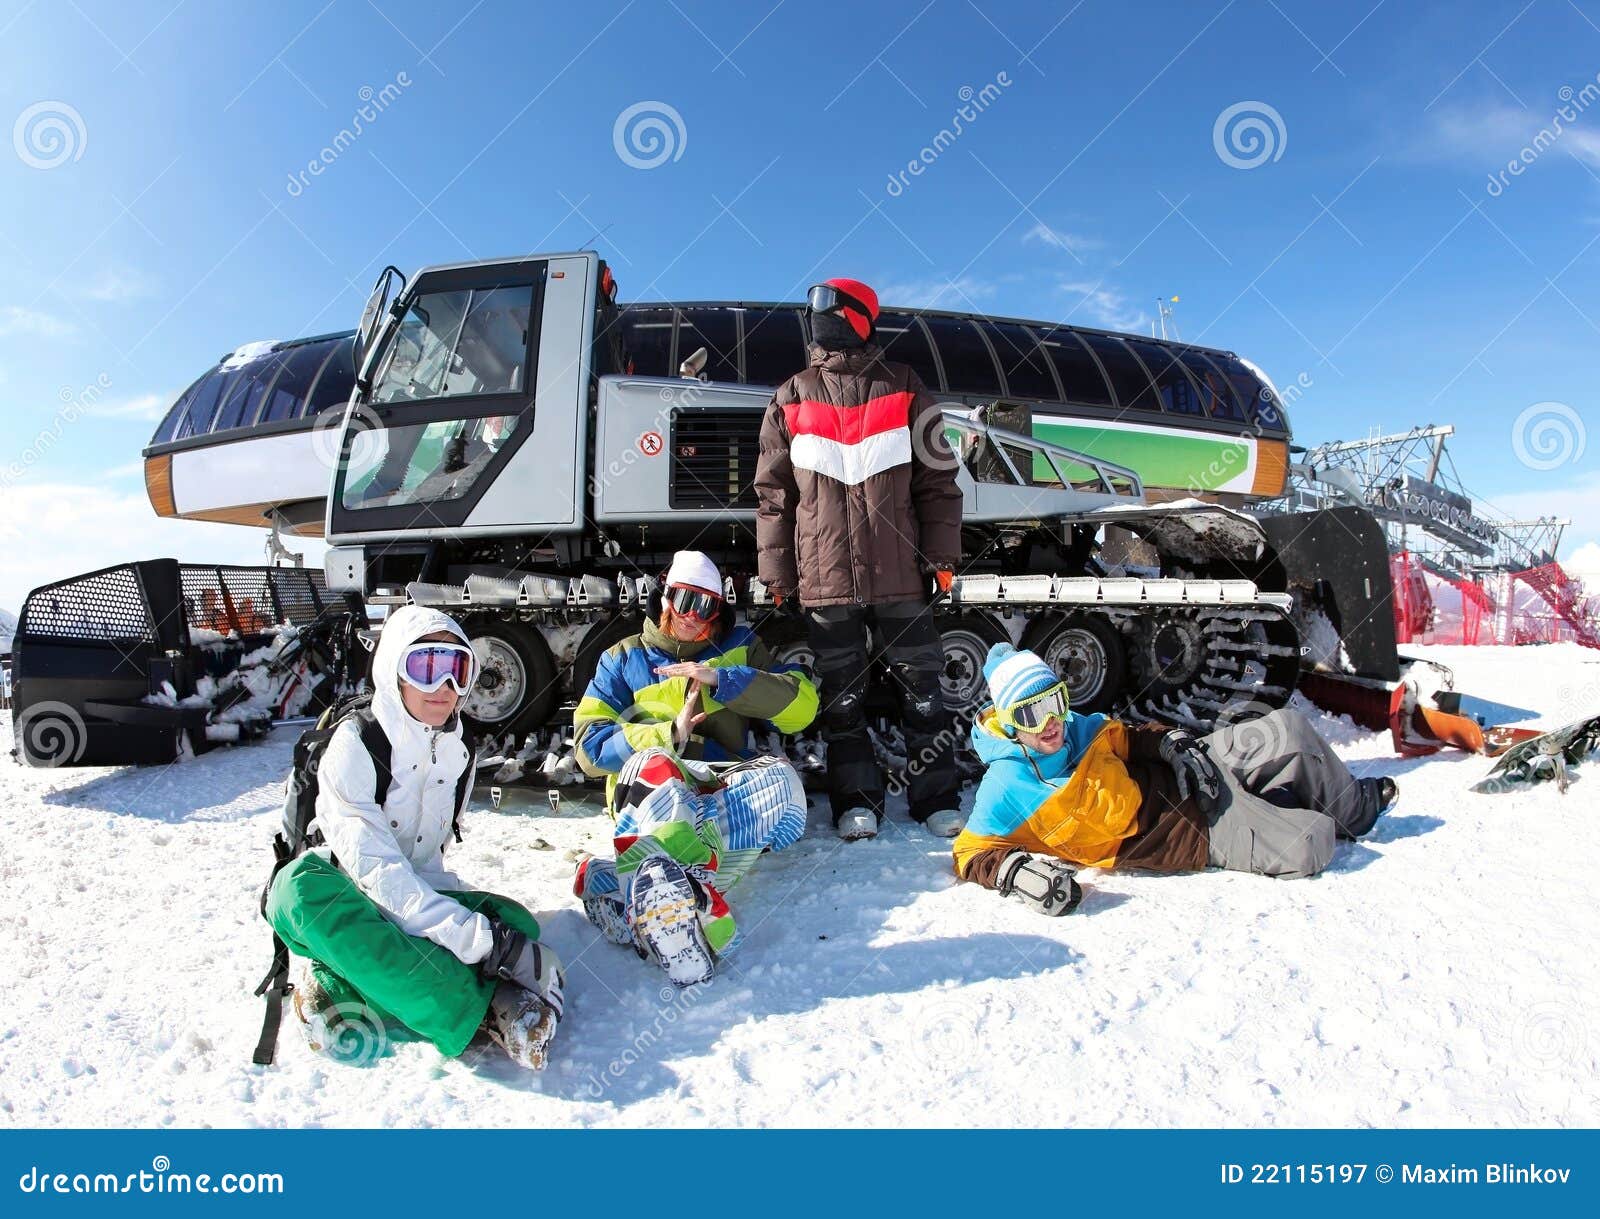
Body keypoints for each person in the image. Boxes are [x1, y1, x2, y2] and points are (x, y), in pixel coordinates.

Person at [265, 606, 567, 1070]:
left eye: (458, 670)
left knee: (517, 922)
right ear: (393, 670)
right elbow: (376, 872)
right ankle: (483, 1010)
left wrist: (491, 933)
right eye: (426, 667)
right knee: (300, 890)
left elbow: (426, 863)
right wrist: (482, 945)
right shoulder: (357, 744)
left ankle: (344, 986)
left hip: (411, 889)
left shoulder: (458, 753)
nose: (444, 688)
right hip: (339, 891)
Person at [753, 277, 966, 842]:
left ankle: (936, 798)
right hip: (824, 582)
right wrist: (777, 573)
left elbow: (938, 483)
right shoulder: (790, 397)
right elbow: (775, 496)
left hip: (902, 578)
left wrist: (942, 557)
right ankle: (856, 801)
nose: (819, 315)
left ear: (861, 318)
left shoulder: (907, 389)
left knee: (923, 692)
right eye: (814, 306)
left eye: (831, 306)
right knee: (841, 700)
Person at [954, 644, 1399, 913]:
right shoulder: (1006, 786)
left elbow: (1131, 738)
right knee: (1311, 842)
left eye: (1055, 701)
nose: (1051, 722)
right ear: (1010, 723)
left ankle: (1354, 810)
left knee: (1290, 730)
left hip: (1192, 768)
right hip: (1192, 832)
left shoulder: (1076, 728)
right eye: (1032, 713)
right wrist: (1016, 874)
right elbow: (969, 852)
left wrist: (1172, 743)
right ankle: (1274, 805)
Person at [571, 550, 819, 983]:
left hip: (714, 790)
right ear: (665, 596)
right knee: (659, 766)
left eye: (706, 604)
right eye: (684, 599)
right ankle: (688, 899)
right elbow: (588, 750)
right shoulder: (622, 657)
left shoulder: (740, 648)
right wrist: (668, 733)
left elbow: (802, 707)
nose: (692, 615)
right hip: (650, 790)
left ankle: (629, 889)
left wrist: (724, 680)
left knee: (784, 785)